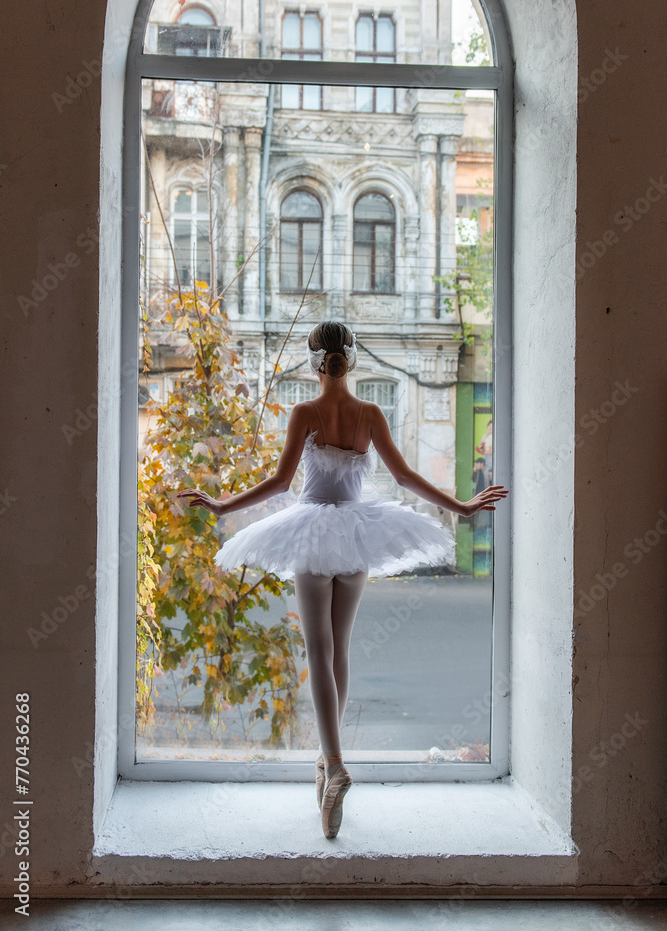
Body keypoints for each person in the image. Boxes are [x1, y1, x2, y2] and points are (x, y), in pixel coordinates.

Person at [178, 320, 509, 839]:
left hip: (311, 532)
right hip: (358, 534)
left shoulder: (305, 412)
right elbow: (404, 478)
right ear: (349, 361)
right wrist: (461, 506)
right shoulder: (371, 413)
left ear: (315, 362)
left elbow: (281, 483)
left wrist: (222, 503)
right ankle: (326, 759)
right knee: (342, 652)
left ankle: (334, 766)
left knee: (317, 652)